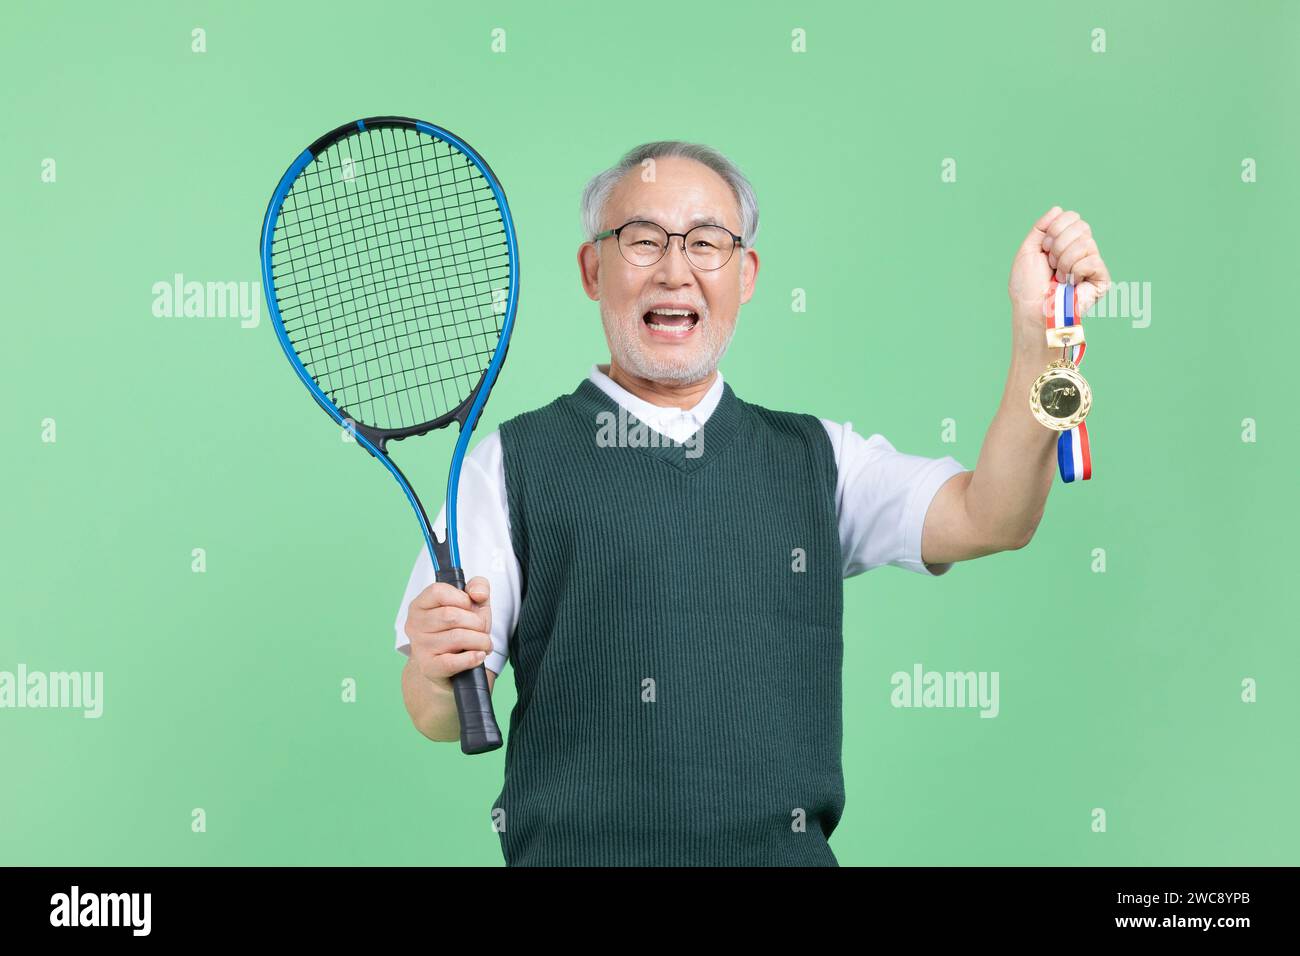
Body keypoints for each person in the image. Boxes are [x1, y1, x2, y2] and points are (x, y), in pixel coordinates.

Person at [394, 141, 1110, 866]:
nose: (676, 271)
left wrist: (1035, 335)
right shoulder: (510, 466)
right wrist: (432, 669)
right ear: (592, 270)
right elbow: (440, 710)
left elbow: (994, 516)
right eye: (643, 241)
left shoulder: (818, 458)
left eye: (707, 243)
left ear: (746, 274)